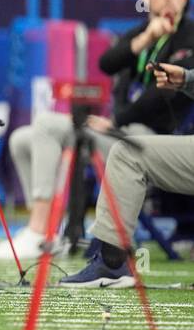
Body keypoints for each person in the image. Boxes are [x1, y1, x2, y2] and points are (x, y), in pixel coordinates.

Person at [0, 0, 194, 259]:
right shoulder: (142, 33)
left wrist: (113, 121)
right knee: (22, 138)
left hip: (152, 136)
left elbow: (160, 97)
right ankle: (53, 227)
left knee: (49, 125)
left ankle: (39, 232)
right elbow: (107, 64)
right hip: (118, 130)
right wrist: (146, 39)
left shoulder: (189, 36)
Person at [62, 61, 194, 286]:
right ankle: (42, 233)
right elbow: (111, 59)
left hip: (138, 126)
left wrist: (115, 121)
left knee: (127, 154)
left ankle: (111, 264)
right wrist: (187, 79)